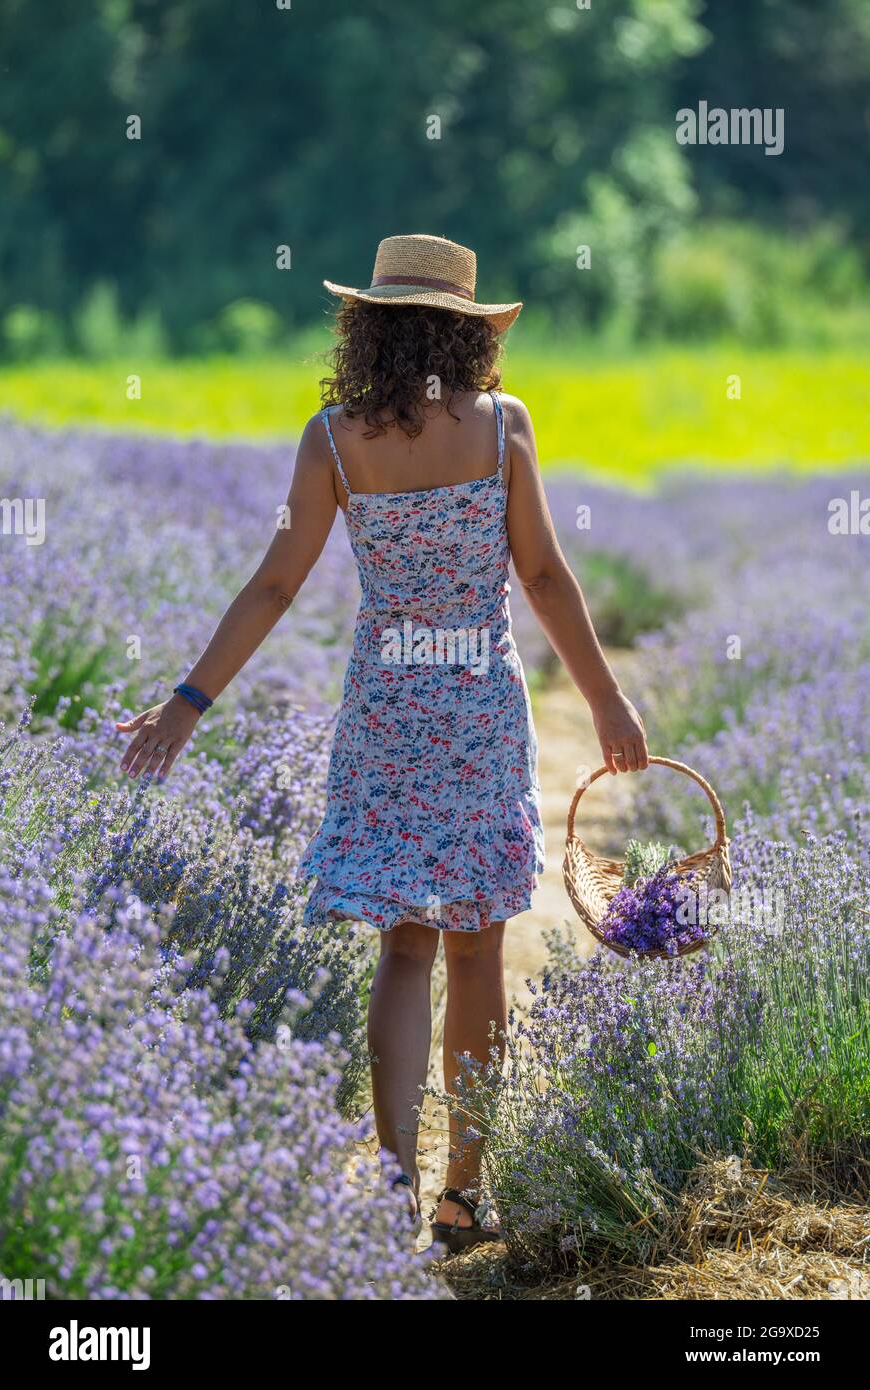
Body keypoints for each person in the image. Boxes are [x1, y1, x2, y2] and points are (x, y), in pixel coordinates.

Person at [117, 234, 649, 1252]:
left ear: (367, 328)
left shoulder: (332, 438)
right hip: (479, 708)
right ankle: (463, 1196)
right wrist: (610, 701)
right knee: (477, 944)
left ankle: (392, 1184)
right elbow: (541, 578)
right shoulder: (503, 429)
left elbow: (276, 584)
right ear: (466, 333)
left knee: (401, 947)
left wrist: (188, 699)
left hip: (385, 708)